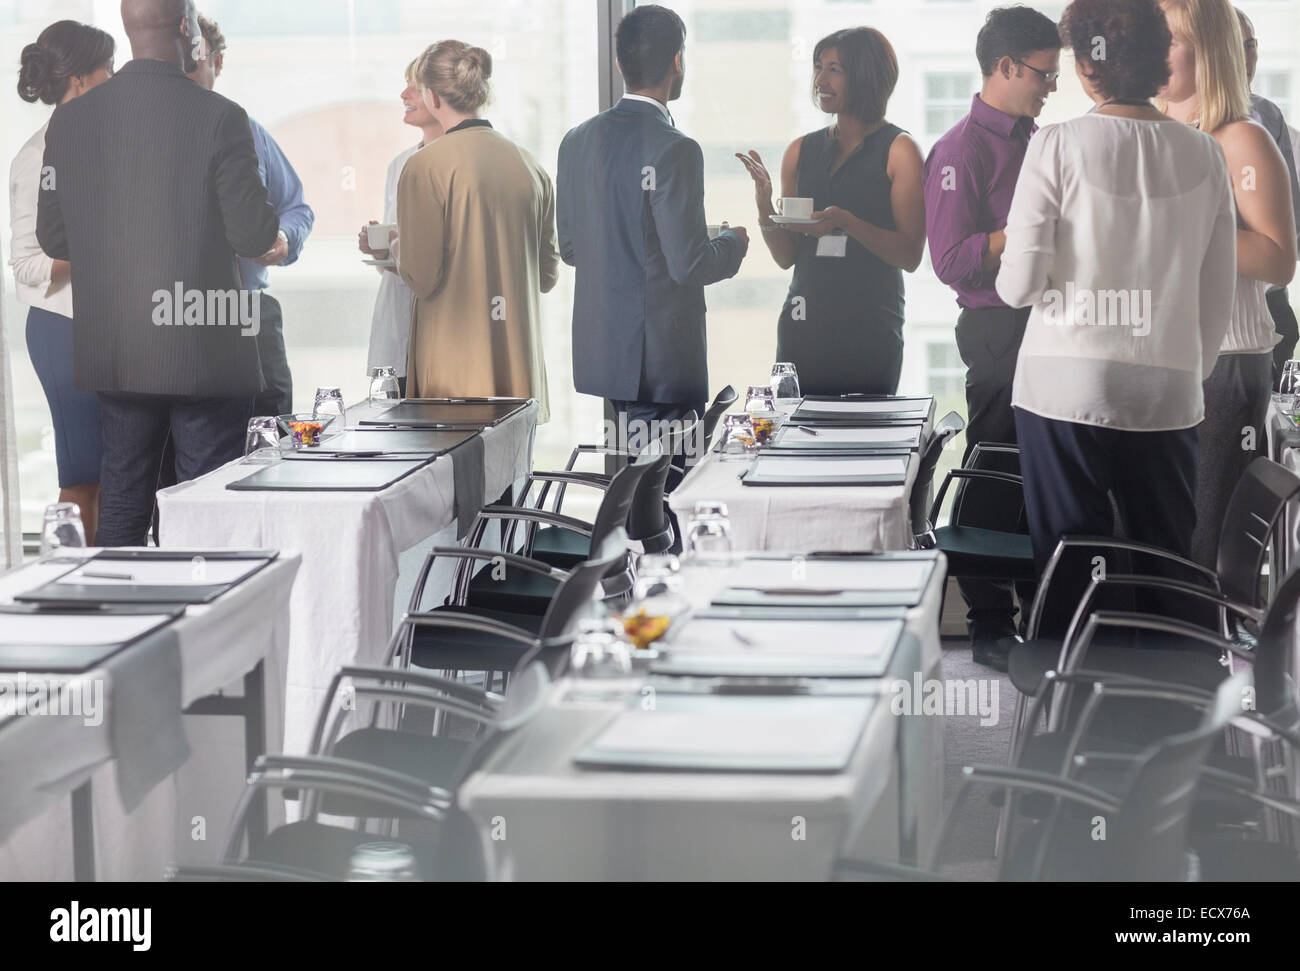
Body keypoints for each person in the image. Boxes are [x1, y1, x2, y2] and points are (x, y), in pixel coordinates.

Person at [997, 0, 1238, 639]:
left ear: (1086, 64)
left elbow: (1019, 287)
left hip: (1064, 384)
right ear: (1158, 60)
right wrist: (1182, 370)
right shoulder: (1206, 155)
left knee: (1072, 555)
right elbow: (1214, 296)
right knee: (1166, 556)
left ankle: (1072, 707)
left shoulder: (1055, 143)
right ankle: (1170, 712)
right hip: (1167, 386)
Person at [36, 0, 282, 548]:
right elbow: (253, 235)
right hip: (208, 345)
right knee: (205, 506)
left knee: (123, 499)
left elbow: (54, 239)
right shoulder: (221, 117)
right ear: (185, 28)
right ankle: (207, 628)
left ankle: (127, 626)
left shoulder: (71, 120)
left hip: (119, 346)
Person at [920, 4, 1060, 671]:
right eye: (1042, 73)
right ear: (1005, 67)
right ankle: (989, 625)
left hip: (1052, 321)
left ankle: (1045, 619)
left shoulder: (1042, 141)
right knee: (996, 473)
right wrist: (1026, 231)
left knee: (1048, 472)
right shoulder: (959, 150)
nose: (1050, 85)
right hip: (996, 328)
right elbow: (950, 259)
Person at [557, 3, 748, 437]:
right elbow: (689, 264)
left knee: (635, 489)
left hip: (606, 359)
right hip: (661, 364)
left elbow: (571, 249)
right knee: (666, 495)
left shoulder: (576, 141)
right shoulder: (675, 148)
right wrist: (734, 242)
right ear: (677, 62)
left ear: (621, 62)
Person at [1159, 0, 1296, 569]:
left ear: (1207, 49)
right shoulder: (1154, 127)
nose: (1153, 52)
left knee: (1204, 542)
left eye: (1168, 40)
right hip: (1157, 356)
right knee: (1157, 534)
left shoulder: (1243, 138)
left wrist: (1180, 230)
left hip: (1226, 362)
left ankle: (1203, 653)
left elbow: (1278, 258)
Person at [735, 28, 923, 396]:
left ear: (866, 74)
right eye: (818, 67)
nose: (820, 79)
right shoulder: (800, 151)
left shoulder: (900, 150)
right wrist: (764, 205)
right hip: (803, 327)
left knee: (862, 443)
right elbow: (786, 257)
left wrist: (847, 223)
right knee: (796, 442)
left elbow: (910, 255)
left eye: (834, 69)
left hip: (870, 330)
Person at [394, 40, 557, 420]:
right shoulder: (530, 166)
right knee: (515, 479)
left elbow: (421, 277)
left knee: (453, 480)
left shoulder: (425, 166)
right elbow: (546, 275)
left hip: (453, 379)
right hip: (519, 377)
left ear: (432, 97)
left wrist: (401, 246)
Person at [10, 20, 114, 544]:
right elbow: (26, 263)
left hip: (112, 329)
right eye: (107, 70)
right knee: (84, 473)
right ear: (78, 80)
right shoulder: (36, 157)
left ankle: (110, 583)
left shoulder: (109, 142)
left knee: (114, 474)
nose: (114, 80)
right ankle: (71, 594)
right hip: (63, 329)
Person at [189, 13, 313, 418]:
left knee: (271, 432)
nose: (186, 70)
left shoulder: (248, 130)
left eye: (196, 58)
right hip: (177, 312)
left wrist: (284, 240)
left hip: (249, 308)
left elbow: (296, 207)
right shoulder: (142, 136)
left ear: (217, 62)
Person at [359, 53, 442, 399]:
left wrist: (399, 246)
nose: (404, 95)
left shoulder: (457, 164)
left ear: (441, 97)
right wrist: (382, 249)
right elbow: (396, 266)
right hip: (397, 326)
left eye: (416, 87)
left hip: (438, 331)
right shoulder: (399, 165)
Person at [1236, 7, 1300, 390]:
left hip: (1267, 307)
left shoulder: (1277, 127)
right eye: (1232, 47)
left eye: (1250, 46)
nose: (1244, 59)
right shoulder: (1163, 122)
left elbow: (1289, 243)